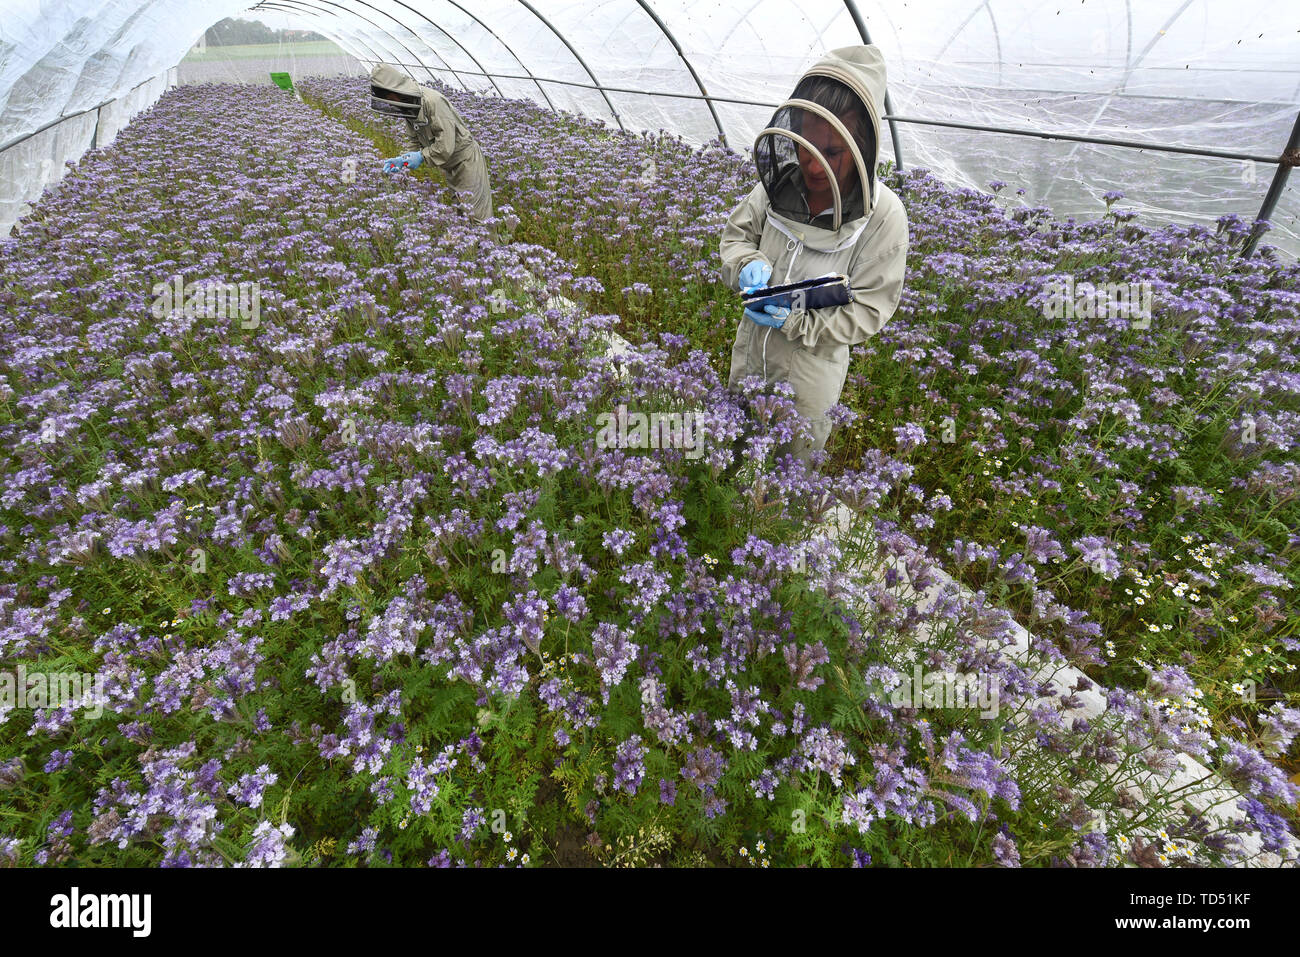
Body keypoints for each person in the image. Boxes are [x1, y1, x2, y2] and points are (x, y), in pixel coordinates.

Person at [720, 45, 909, 465]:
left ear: (864, 146)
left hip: (808, 383)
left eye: (834, 152)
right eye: (805, 146)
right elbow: (736, 236)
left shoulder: (884, 218)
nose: (814, 165)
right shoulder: (778, 184)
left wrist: (797, 320)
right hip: (751, 357)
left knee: (788, 485)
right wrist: (745, 264)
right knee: (728, 462)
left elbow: (869, 309)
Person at [368, 63, 495, 224]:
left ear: (394, 90)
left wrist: (421, 156)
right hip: (449, 164)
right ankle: (472, 248)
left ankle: (491, 247)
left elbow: (446, 146)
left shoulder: (433, 102)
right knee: (462, 212)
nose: (389, 102)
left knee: (477, 215)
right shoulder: (408, 106)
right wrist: (404, 159)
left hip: (466, 160)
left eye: (388, 97)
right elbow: (414, 138)